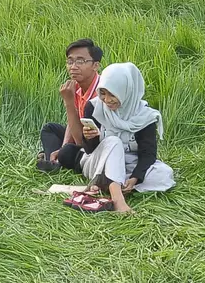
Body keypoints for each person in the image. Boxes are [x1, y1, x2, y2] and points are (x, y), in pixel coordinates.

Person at [78, 62, 176, 214]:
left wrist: (136, 177)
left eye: (113, 94)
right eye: (103, 93)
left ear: (127, 91)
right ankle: (118, 200)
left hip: (128, 164)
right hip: (99, 163)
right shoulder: (94, 107)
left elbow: (148, 153)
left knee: (164, 174)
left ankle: (111, 183)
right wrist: (88, 137)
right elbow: (90, 150)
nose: (107, 100)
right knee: (114, 142)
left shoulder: (144, 116)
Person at [37, 39, 103, 174]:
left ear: (95, 65)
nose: (73, 66)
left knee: (68, 151)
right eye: (70, 61)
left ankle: (59, 159)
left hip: (96, 143)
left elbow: (81, 141)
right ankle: (53, 161)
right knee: (49, 129)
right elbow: (73, 120)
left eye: (80, 61)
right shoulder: (77, 86)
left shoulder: (101, 93)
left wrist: (68, 102)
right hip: (82, 134)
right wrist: (64, 145)